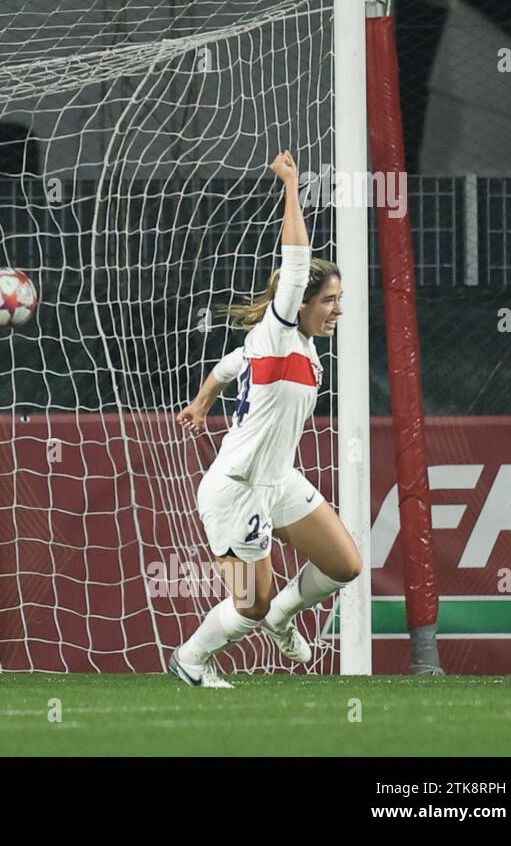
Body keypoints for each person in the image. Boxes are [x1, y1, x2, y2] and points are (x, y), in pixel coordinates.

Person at [169, 151, 362, 688]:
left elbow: (231, 364)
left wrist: (204, 400)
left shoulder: (298, 346)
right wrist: (292, 185)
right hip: (238, 487)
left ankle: (284, 614)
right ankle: (191, 658)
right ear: (300, 302)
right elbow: (296, 260)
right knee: (247, 606)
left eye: (340, 300)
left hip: (277, 480)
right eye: (329, 301)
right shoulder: (278, 331)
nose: (338, 311)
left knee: (345, 565)